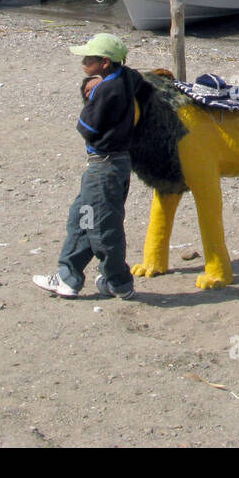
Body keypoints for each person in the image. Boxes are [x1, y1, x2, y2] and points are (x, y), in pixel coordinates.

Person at [33, 33, 151, 301]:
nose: (84, 62)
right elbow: (137, 77)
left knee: (103, 229)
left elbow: (86, 128)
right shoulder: (126, 78)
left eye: (89, 59)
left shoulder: (107, 90)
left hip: (103, 168)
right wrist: (95, 82)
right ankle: (68, 276)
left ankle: (119, 282)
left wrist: (91, 92)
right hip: (117, 165)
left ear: (105, 62)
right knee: (81, 218)